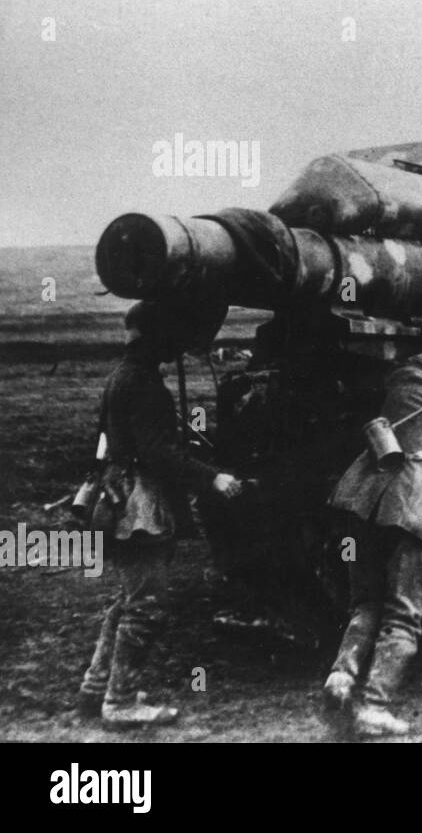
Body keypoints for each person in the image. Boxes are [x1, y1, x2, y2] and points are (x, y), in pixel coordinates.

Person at [79, 301, 244, 727]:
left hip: (118, 496)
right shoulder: (146, 385)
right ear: (155, 338)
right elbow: (157, 453)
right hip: (141, 505)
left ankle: (97, 687)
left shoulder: (120, 377)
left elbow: (108, 442)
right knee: (146, 605)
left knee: (128, 599)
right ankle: (120, 702)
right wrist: (211, 478)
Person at [324, 332, 422, 737]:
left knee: (365, 603)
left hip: (361, 500)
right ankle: (374, 707)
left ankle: (341, 679)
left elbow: (416, 360)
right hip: (415, 510)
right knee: (404, 614)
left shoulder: (404, 382)